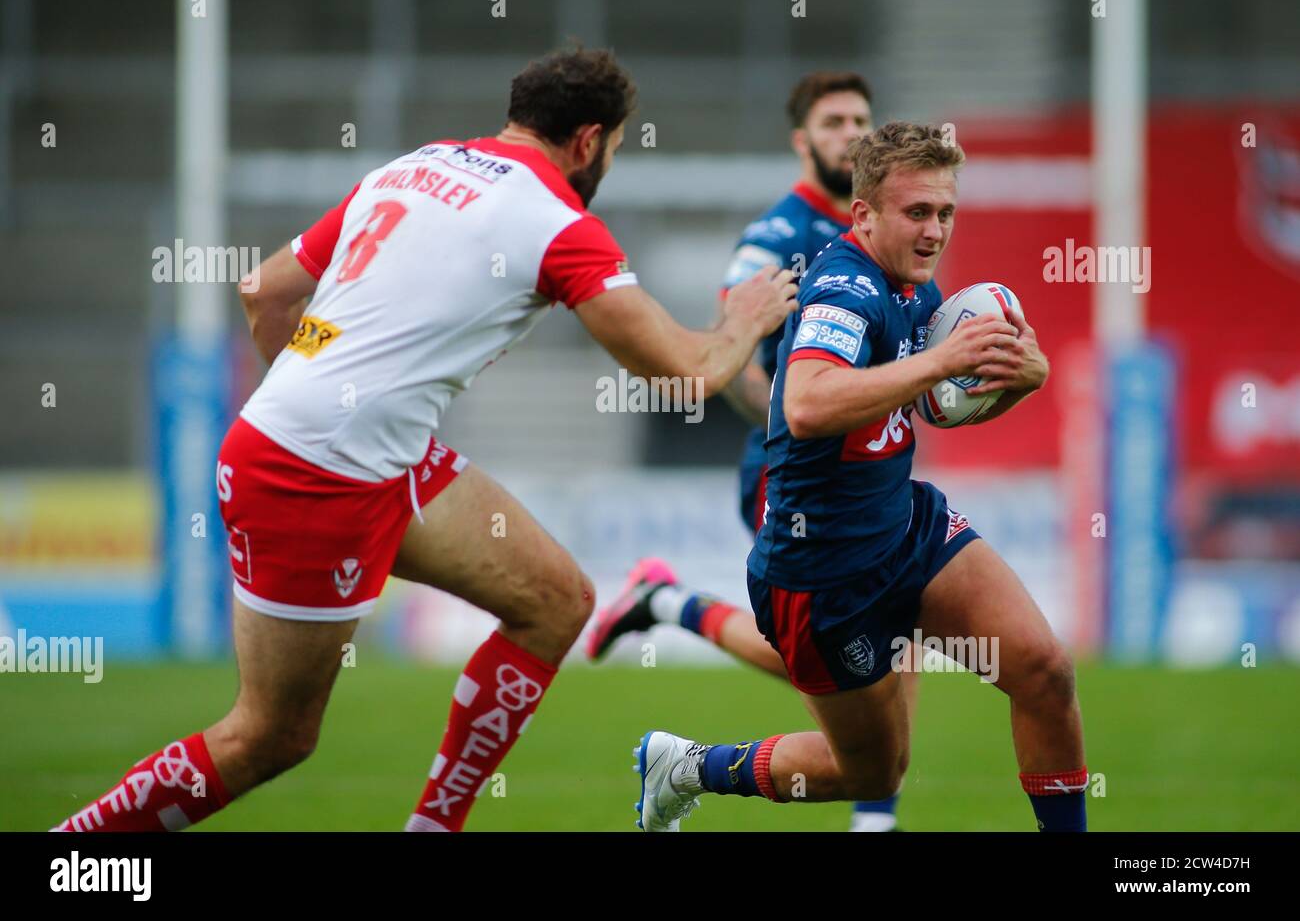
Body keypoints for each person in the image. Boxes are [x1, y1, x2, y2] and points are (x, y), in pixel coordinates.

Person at [51, 45, 796, 834]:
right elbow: (681, 373)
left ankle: (434, 828)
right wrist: (745, 317)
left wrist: (318, 394)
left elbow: (263, 289)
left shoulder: (415, 166)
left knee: (556, 601)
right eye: (613, 147)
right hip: (318, 473)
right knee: (269, 736)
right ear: (589, 141)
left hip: (354, 451)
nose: (607, 162)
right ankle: (74, 856)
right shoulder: (557, 223)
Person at [633, 122, 1087, 833]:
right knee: (870, 773)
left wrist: (1020, 382)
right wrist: (943, 361)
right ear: (865, 214)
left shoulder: (914, 284)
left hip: (908, 529)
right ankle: (688, 767)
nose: (935, 231)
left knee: (1043, 671)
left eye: (945, 213)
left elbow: (934, 407)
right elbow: (809, 403)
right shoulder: (845, 289)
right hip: (824, 575)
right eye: (917, 213)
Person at [587, 73, 915, 831]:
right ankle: (671, 606)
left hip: (869, 476)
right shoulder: (778, 236)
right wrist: (791, 430)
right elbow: (730, 335)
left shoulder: (886, 234)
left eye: (862, 119)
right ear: (803, 141)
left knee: (890, 639)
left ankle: (662, 601)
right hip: (794, 476)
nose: (851, 132)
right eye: (834, 121)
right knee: (833, 660)